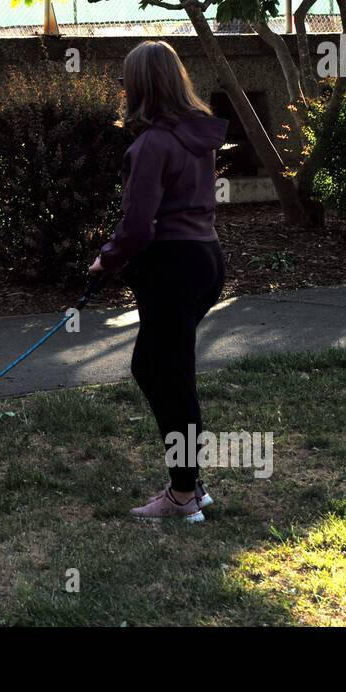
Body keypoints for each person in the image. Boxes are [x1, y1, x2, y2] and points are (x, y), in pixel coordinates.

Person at [89, 40, 228, 522]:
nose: (122, 88)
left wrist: (106, 260)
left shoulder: (151, 144)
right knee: (160, 369)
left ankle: (184, 495)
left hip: (171, 265)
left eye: (126, 80)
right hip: (204, 260)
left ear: (140, 86)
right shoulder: (196, 135)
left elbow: (138, 224)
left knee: (167, 374)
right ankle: (190, 484)